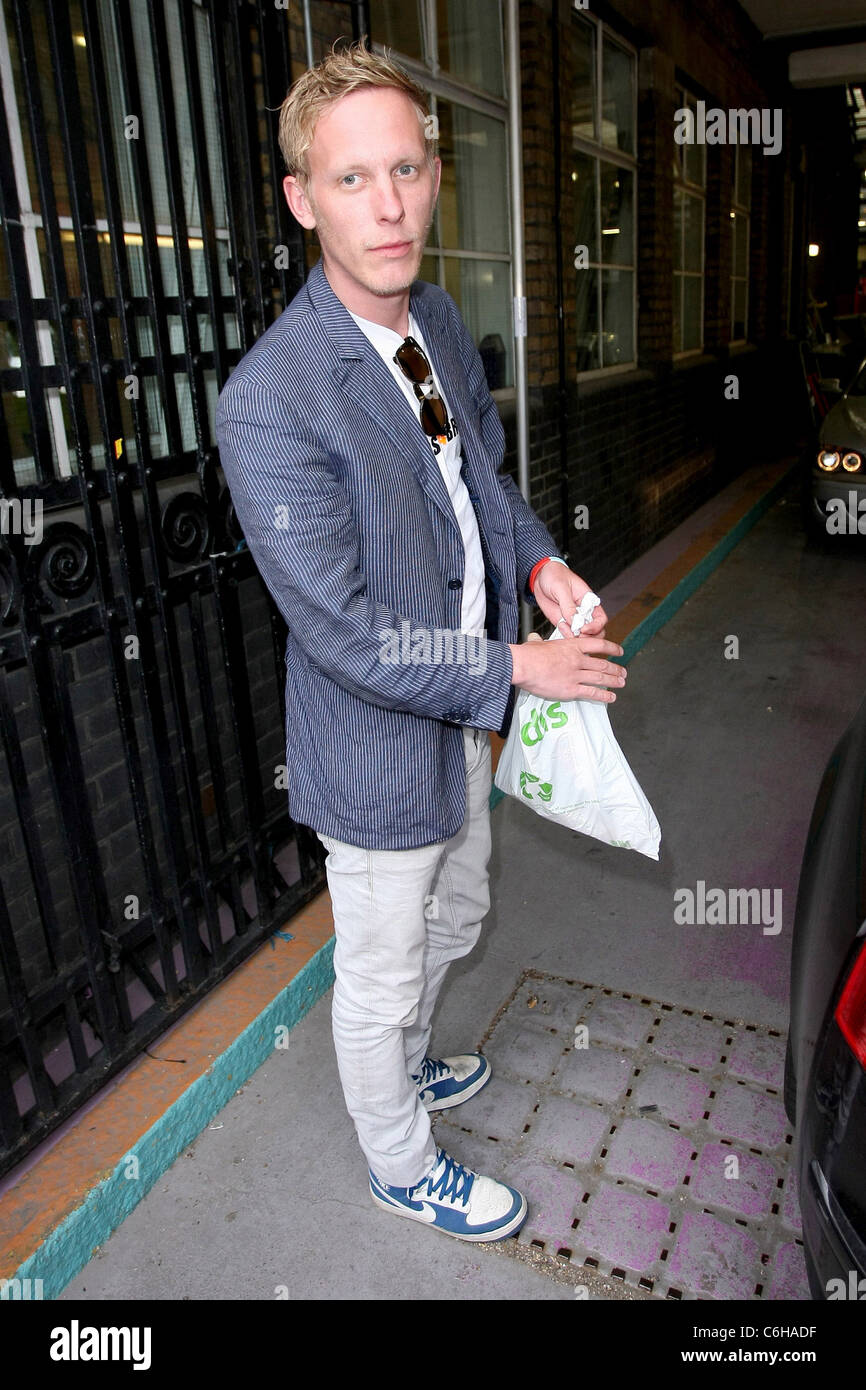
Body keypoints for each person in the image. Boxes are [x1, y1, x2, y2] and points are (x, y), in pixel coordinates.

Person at [215, 40, 627, 1243]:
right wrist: (520, 667)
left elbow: (481, 490)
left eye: (405, 168)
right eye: (351, 180)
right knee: (382, 964)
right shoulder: (270, 400)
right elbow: (344, 634)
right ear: (301, 199)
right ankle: (399, 1155)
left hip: (463, 729)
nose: (388, 205)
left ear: (434, 171)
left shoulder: (437, 317)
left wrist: (538, 561)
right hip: (376, 742)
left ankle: (400, 1065)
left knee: (456, 915)